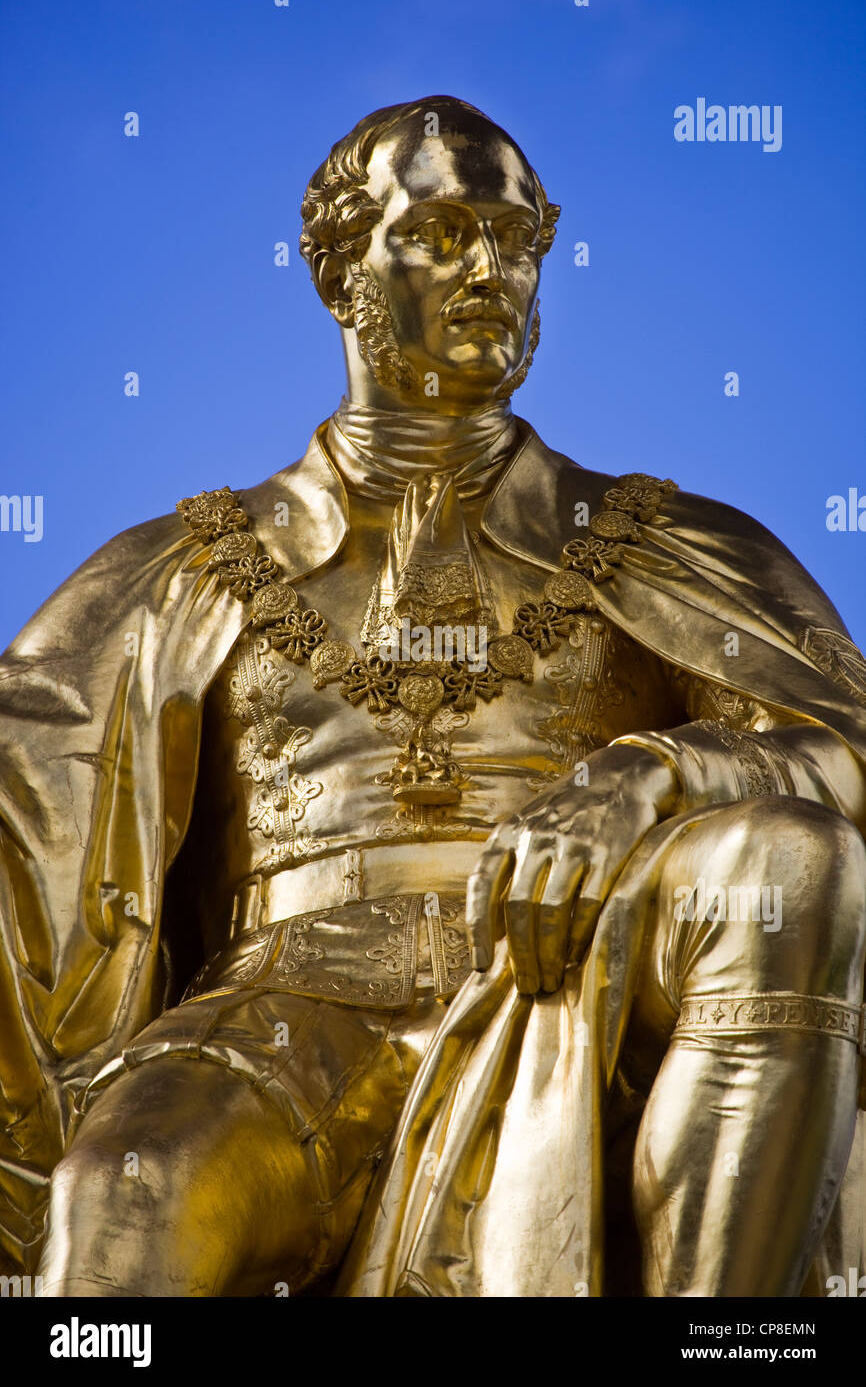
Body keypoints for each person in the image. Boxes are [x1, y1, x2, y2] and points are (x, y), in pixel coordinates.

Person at [1, 96, 864, 1298]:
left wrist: (658, 770)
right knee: (125, 1189)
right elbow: (25, 809)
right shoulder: (176, 571)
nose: (489, 271)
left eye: (514, 241)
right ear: (341, 269)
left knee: (790, 860)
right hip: (277, 1020)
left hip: (578, 968)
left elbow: (847, 754)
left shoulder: (667, 542)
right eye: (442, 232)